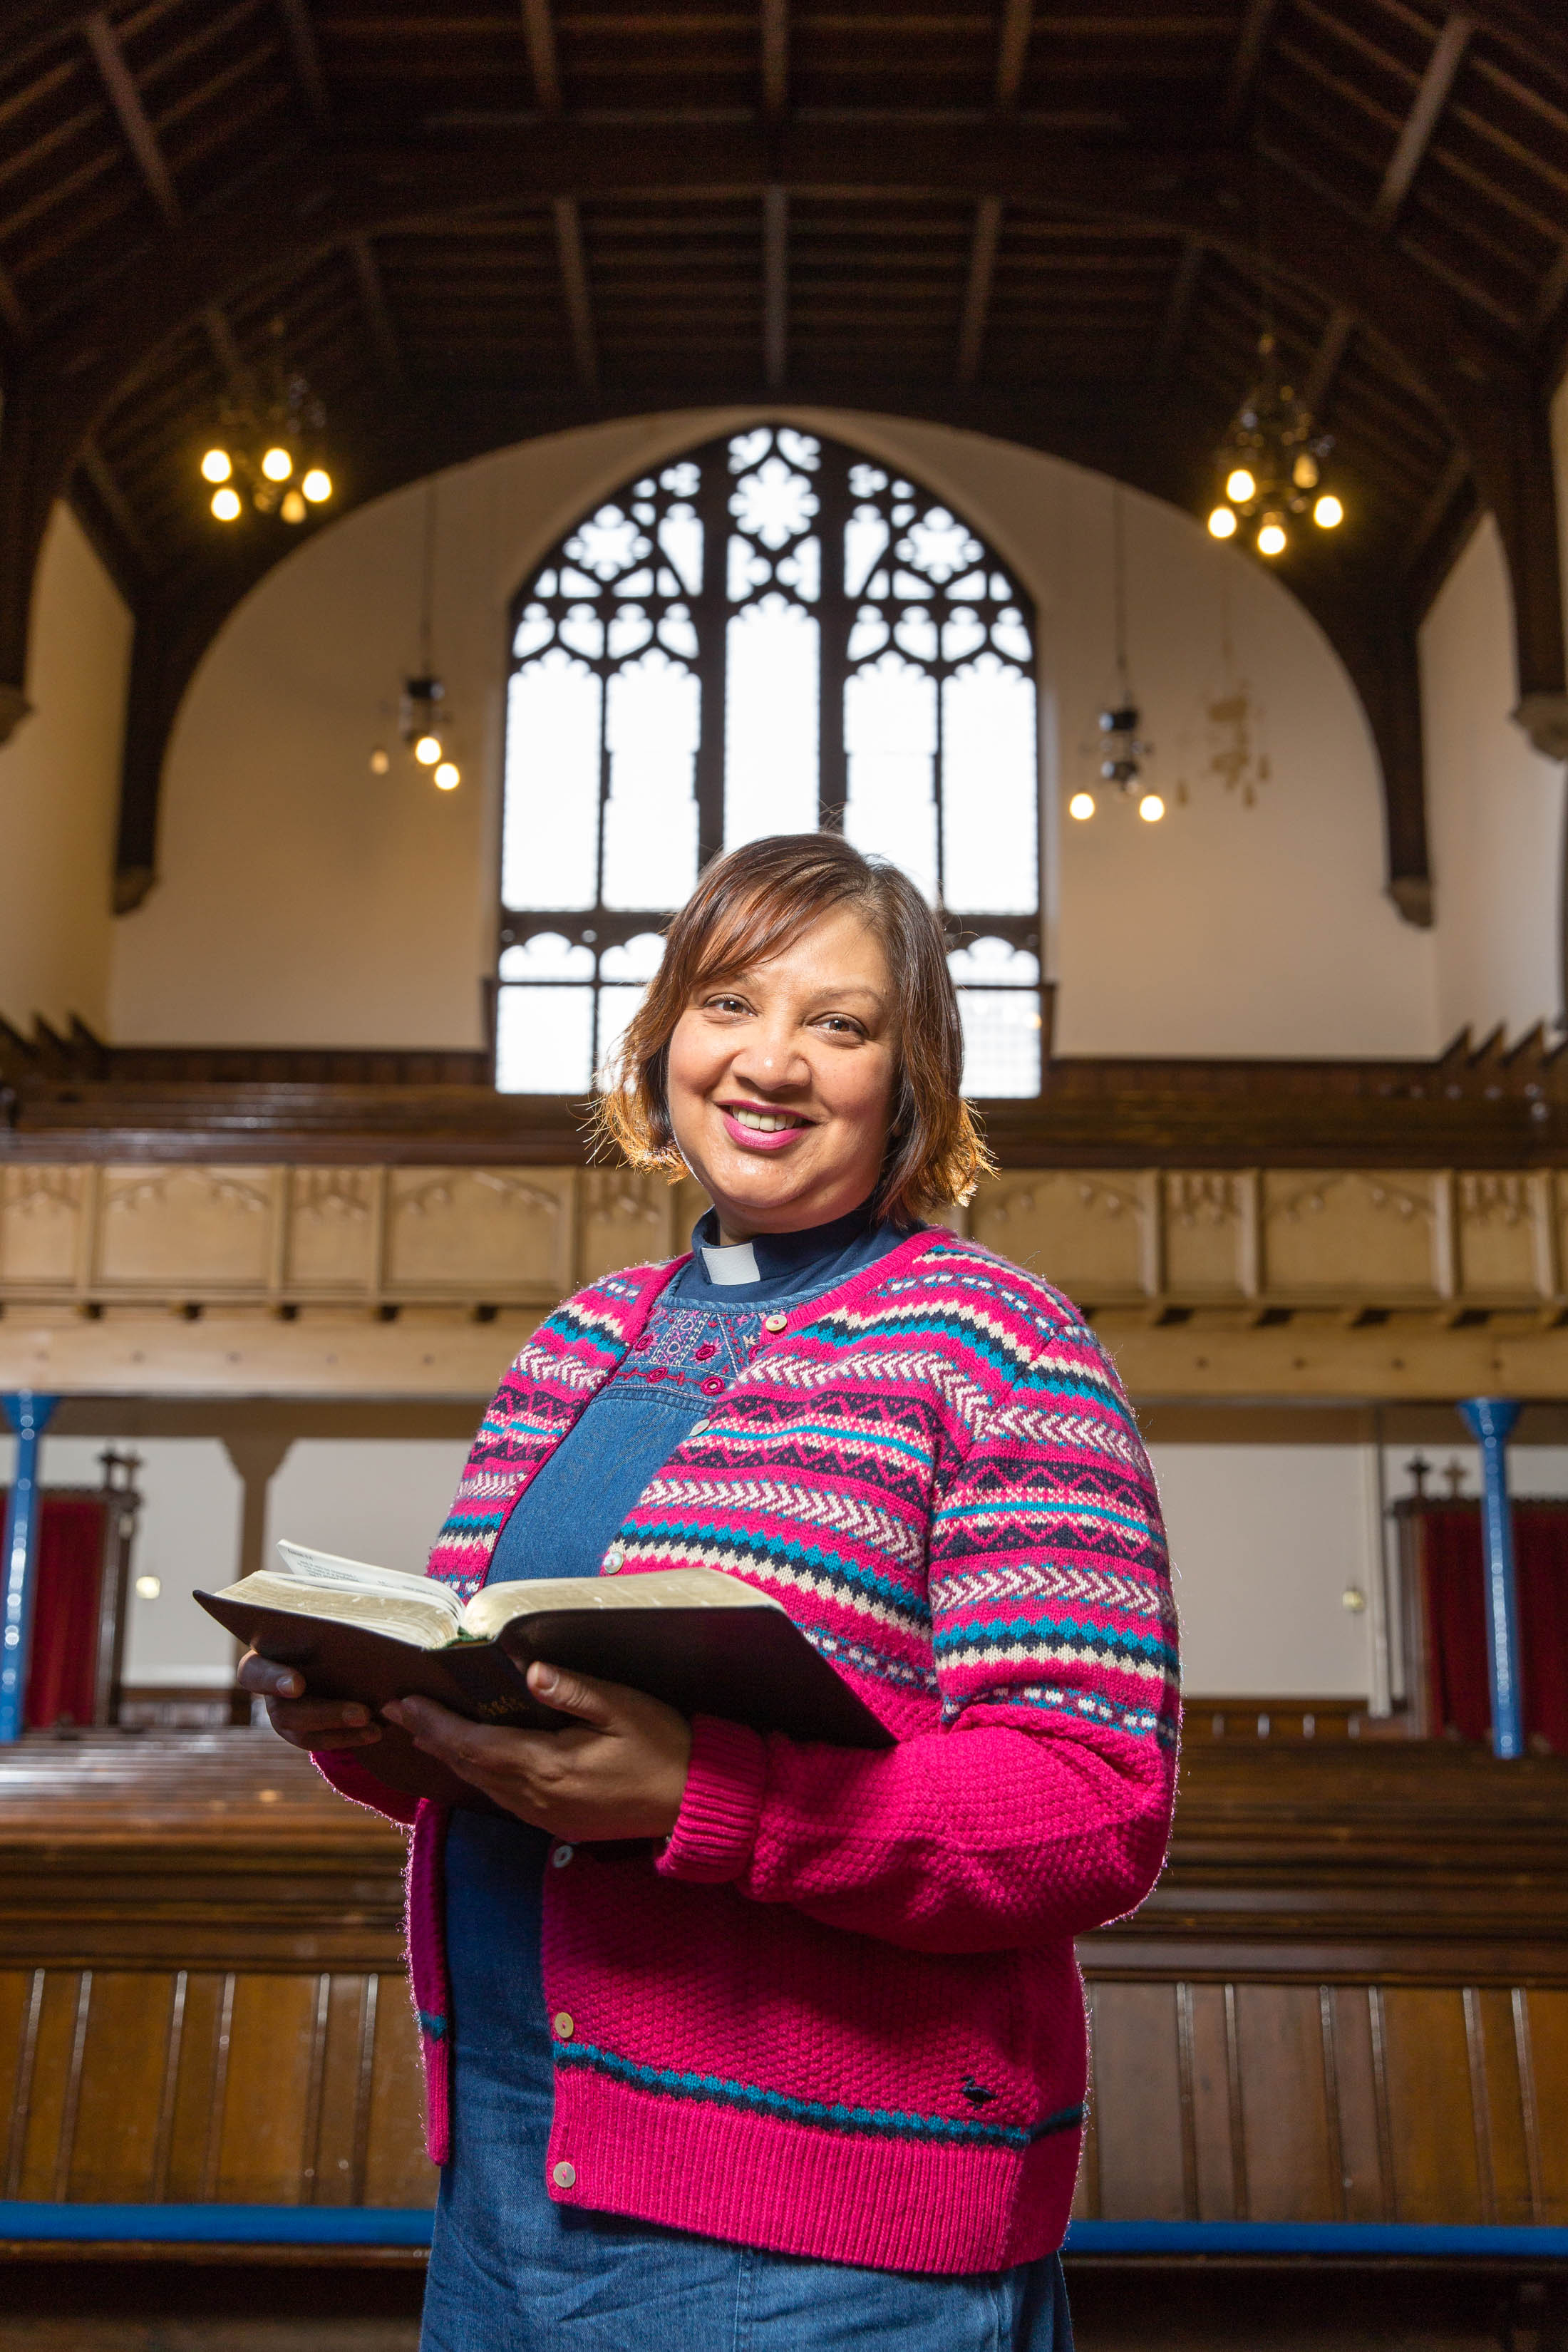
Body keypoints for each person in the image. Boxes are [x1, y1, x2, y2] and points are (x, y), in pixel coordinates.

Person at [241, 832, 1179, 2351]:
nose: (772, 1062)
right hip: (506, 2182)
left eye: (839, 1023)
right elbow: (520, 1714)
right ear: (665, 1036)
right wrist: (370, 1712)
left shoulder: (994, 1342)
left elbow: (1089, 1808)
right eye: (730, 1003)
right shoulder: (582, 1339)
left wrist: (700, 1793)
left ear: (912, 1074)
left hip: (821, 2240)